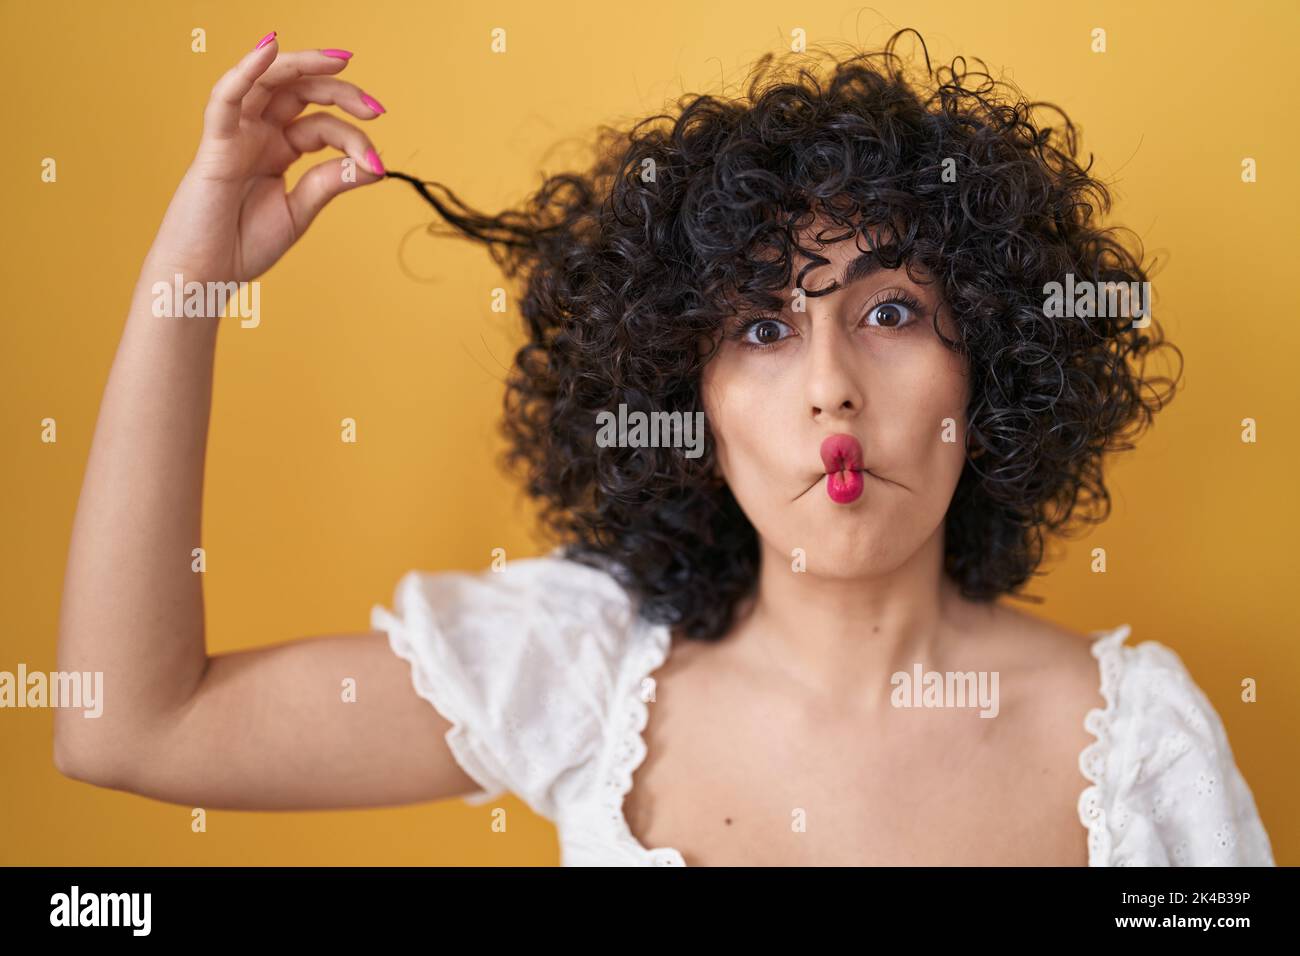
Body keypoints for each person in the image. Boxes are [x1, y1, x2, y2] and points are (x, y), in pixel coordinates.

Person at [53, 27, 1274, 866]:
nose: (830, 390)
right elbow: (124, 722)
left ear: (991, 361)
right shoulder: (582, 671)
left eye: (888, 312)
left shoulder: (1135, 740)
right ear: (684, 397)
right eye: (758, 328)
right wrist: (189, 280)